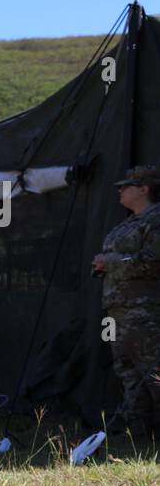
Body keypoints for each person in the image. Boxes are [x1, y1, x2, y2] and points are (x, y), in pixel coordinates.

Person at [93, 165, 160, 447]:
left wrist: (113, 263)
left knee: (154, 372)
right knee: (128, 373)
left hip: (146, 312)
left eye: (126, 186)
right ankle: (138, 438)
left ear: (144, 189)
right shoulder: (128, 223)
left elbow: (154, 261)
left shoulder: (155, 220)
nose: (120, 190)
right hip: (118, 310)